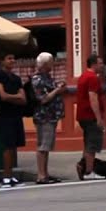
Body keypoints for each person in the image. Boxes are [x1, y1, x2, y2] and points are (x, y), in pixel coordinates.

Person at [0, 53, 28, 188]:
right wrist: (16, 97)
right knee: (7, 146)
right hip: (4, 115)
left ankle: (11, 175)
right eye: (9, 58)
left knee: (13, 146)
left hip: (16, 115)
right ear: (2, 61)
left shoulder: (16, 78)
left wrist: (14, 97)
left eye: (13, 58)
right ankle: (6, 177)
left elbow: (24, 99)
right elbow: (3, 96)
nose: (12, 61)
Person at [30, 52, 66, 185]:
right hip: (44, 116)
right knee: (43, 146)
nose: (52, 64)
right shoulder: (38, 80)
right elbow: (43, 99)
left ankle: (45, 173)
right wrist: (57, 90)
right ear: (44, 64)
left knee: (47, 146)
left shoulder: (48, 78)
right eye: (50, 62)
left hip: (51, 116)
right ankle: (41, 175)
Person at [75, 54, 105, 180]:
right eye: (100, 63)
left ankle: (83, 166)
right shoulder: (92, 78)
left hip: (82, 115)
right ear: (94, 64)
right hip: (90, 115)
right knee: (92, 144)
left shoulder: (83, 76)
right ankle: (89, 171)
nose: (102, 65)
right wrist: (98, 117)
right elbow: (93, 97)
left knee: (88, 142)